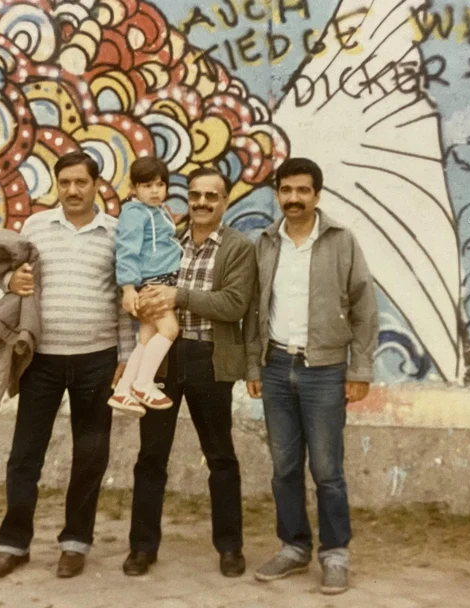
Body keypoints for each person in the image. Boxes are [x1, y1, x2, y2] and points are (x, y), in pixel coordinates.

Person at [0, 151, 134, 580]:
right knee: (25, 455)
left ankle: (75, 543)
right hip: (42, 360)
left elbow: (123, 304)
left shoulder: (115, 233)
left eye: (80, 183)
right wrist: (8, 281)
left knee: (90, 455)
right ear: (57, 185)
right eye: (65, 182)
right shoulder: (35, 227)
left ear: (96, 185)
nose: (72, 190)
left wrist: (124, 357)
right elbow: (8, 272)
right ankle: (13, 544)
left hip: (97, 360)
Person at [245, 157, 379, 596]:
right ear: (277, 193)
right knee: (284, 467)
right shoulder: (265, 243)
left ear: (317, 195)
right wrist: (254, 365)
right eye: (286, 190)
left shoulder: (341, 241)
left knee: (326, 469)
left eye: (303, 191)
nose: (294, 199)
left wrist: (359, 368)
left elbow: (364, 308)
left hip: (324, 370)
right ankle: (293, 546)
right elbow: (253, 310)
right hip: (277, 367)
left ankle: (335, 553)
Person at [122, 167, 257, 578]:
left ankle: (230, 547)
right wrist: (143, 299)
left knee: (219, 456)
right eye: (195, 195)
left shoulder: (238, 247)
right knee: (150, 455)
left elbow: (233, 304)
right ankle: (142, 547)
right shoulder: (167, 237)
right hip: (163, 356)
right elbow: (145, 285)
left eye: (210, 196)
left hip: (209, 358)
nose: (200, 203)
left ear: (224, 201)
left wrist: (177, 295)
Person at [108, 156, 183, 417]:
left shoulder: (157, 211)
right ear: (134, 188)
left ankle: (123, 392)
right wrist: (128, 288)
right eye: (147, 185)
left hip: (161, 279)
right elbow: (126, 251)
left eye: (160, 185)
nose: (155, 191)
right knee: (170, 329)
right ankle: (143, 384)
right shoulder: (134, 213)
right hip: (153, 283)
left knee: (147, 338)